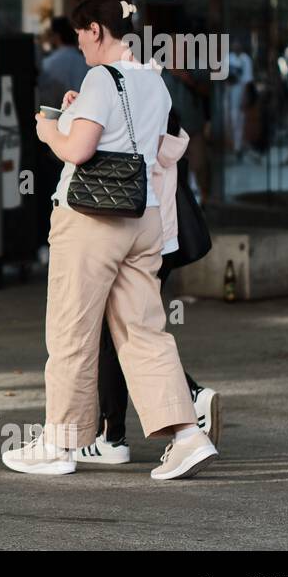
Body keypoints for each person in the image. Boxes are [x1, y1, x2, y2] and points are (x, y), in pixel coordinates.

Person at [3, 0, 218, 481]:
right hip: (143, 215)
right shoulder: (153, 81)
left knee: (71, 329)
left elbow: (78, 150)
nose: (78, 42)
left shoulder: (101, 77)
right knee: (144, 332)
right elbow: (159, 147)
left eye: (81, 32)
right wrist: (83, 110)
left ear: (96, 30)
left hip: (91, 219)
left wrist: (48, 128)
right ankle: (187, 436)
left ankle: (59, 444)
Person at [77, 105, 221, 465]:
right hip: (163, 241)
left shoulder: (135, 122)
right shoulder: (163, 114)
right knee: (126, 331)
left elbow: (86, 148)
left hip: (138, 239)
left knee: (125, 334)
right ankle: (113, 434)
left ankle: (120, 434)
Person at [36, 16, 90, 109]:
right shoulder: (86, 62)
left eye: (49, 35)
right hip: (83, 114)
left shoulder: (48, 63)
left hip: (57, 116)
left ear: (56, 36)